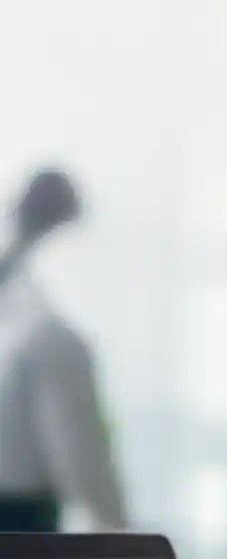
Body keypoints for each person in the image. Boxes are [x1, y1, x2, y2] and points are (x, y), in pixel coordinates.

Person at [0, 169, 126, 531]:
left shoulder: (23, 311)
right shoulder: (48, 332)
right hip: (18, 529)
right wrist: (124, 543)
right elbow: (80, 456)